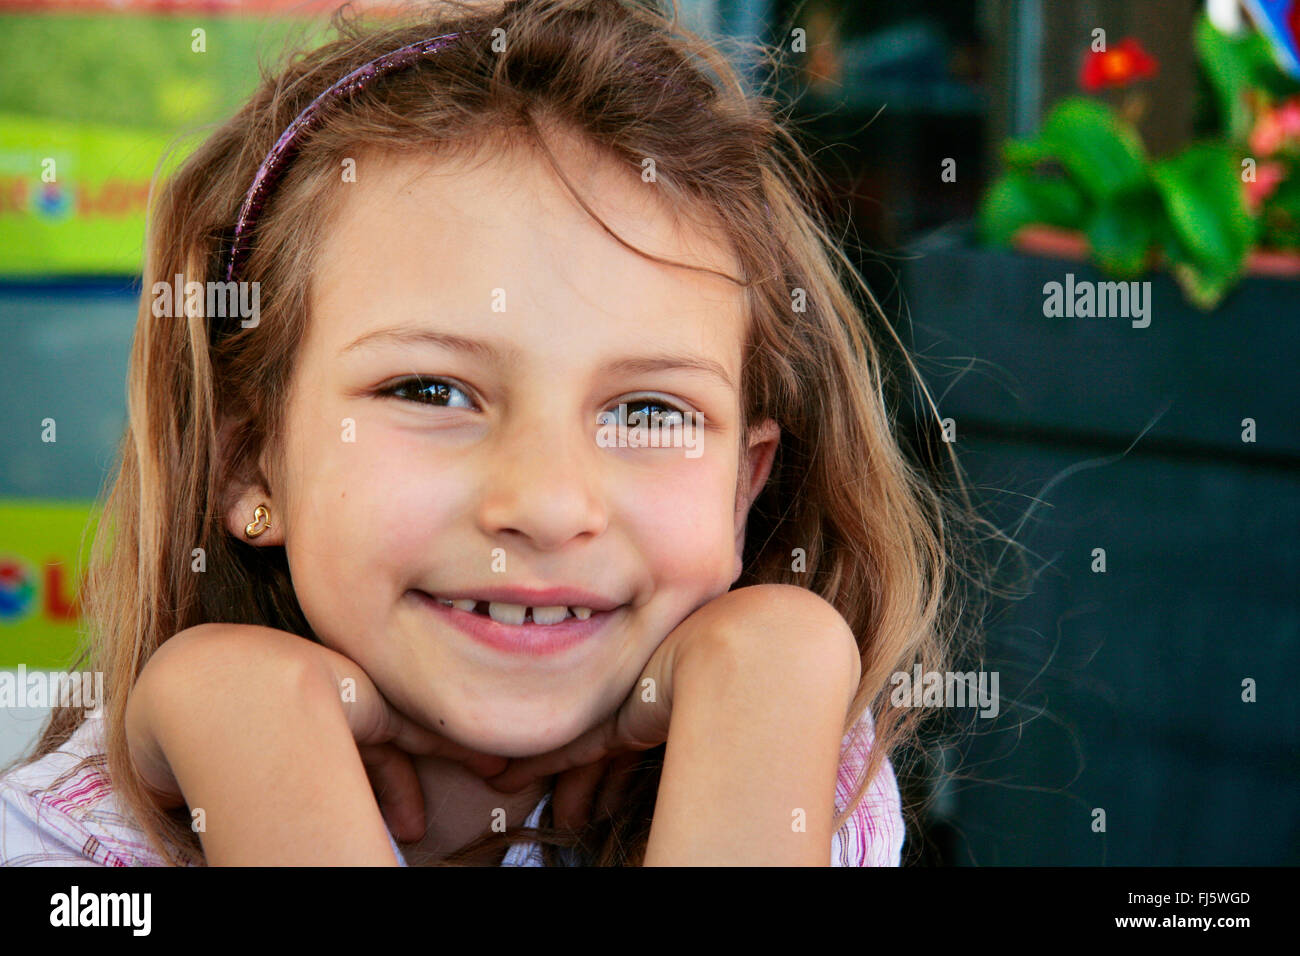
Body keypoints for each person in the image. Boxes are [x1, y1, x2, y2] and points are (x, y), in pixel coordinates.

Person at [0, 0, 998, 866]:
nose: (547, 501)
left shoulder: (785, 769)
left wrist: (773, 661)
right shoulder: (75, 848)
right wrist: (253, 734)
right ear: (250, 460)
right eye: (431, 389)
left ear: (744, 489)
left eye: (647, 410)